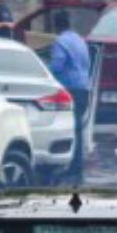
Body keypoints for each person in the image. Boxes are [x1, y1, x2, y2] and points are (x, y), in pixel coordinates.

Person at [47, 10, 92, 183]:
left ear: (56, 25)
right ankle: (76, 165)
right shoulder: (80, 40)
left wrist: (45, 72)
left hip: (71, 89)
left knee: (71, 128)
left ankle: (74, 166)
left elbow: (57, 66)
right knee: (78, 128)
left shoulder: (60, 41)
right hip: (84, 87)